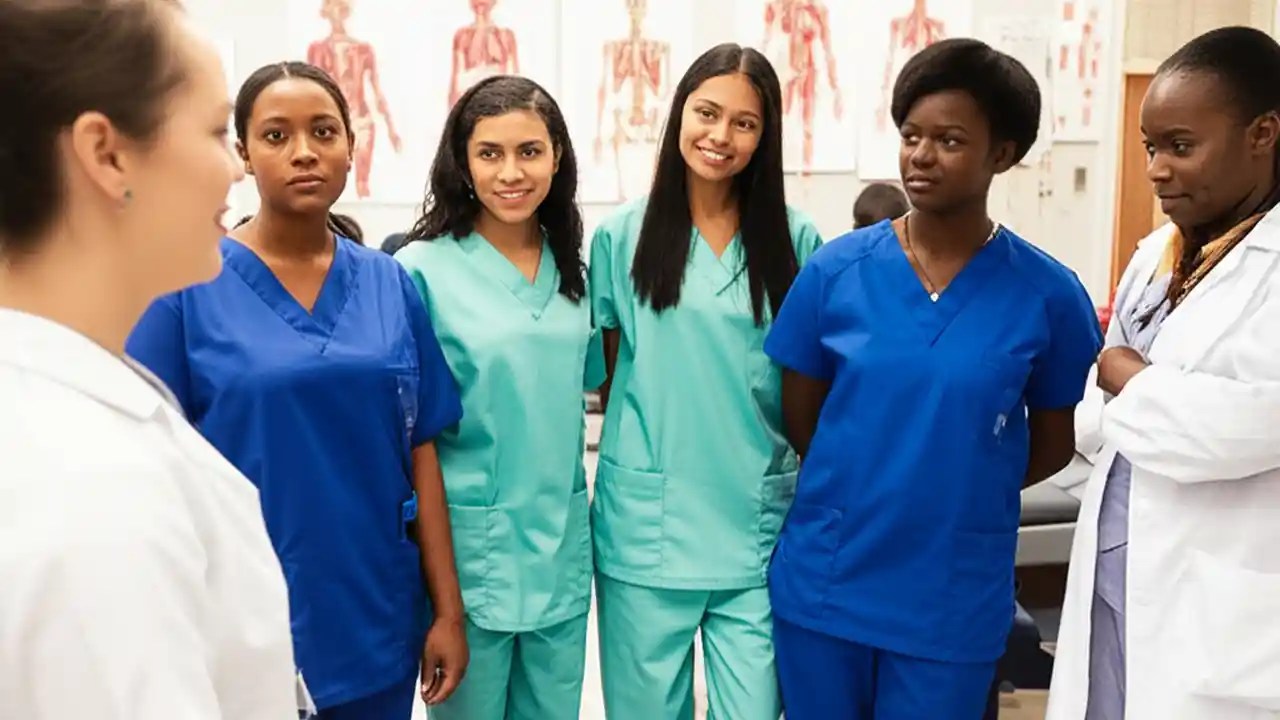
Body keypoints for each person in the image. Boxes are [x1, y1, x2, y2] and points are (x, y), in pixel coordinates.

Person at [763, 38, 1101, 719]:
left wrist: (961, 483)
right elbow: (801, 415)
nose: (921, 155)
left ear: (1001, 155)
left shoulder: (1046, 293)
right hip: (830, 581)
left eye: (948, 140)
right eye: (911, 136)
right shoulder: (835, 273)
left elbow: (1055, 441)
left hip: (951, 594)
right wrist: (869, 477)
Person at [125, 61, 469, 720]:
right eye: (277, 136)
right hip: (238, 619)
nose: (304, 152)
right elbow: (146, 466)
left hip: (375, 616)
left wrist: (448, 611)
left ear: (350, 146)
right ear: (244, 155)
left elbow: (422, 451)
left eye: (324, 131)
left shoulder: (390, 284)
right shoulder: (184, 287)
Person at [0, 1, 299, 718]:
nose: (236, 167)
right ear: (107, 154)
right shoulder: (89, 493)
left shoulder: (75, 410)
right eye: (214, 129)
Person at [1047, 27, 1280, 720]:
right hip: (1120, 568)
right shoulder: (1158, 252)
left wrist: (1128, 377)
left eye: (1181, 146)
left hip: (1218, 606)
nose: (1155, 169)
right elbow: (1095, 415)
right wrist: (1128, 393)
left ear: (1263, 133)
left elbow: (1247, 429)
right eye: (1152, 148)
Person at [589, 43, 823, 720]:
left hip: (755, 519)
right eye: (707, 113)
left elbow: (809, 383)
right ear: (680, 113)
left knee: (754, 708)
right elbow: (607, 374)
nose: (720, 136)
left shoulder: (796, 240)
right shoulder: (622, 237)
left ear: (764, 135)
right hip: (647, 523)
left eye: (744, 123)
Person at [395, 74, 602, 720]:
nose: (511, 172)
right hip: (465, 560)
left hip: (560, 556)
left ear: (558, 157)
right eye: (489, 153)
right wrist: (442, 601)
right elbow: (409, 436)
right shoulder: (420, 272)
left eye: (529, 151)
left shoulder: (575, 275)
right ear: (463, 162)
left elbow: (581, 390)